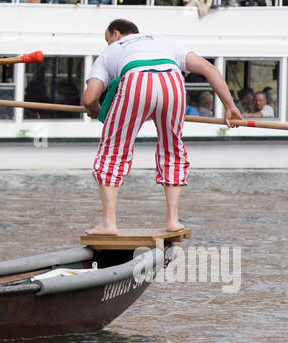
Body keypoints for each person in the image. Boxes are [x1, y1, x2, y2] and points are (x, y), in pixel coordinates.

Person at [80, 19, 239, 235]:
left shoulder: (110, 52)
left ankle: (109, 223)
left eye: (108, 40)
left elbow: (89, 99)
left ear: (115, 35)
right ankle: (173, 220)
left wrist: (97, 112)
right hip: (172, 81)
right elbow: (209, 69)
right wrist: (229, 106)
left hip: (135, 80)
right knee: (172, 148)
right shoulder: (164, 42)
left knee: (113, 150)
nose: (109, 44)